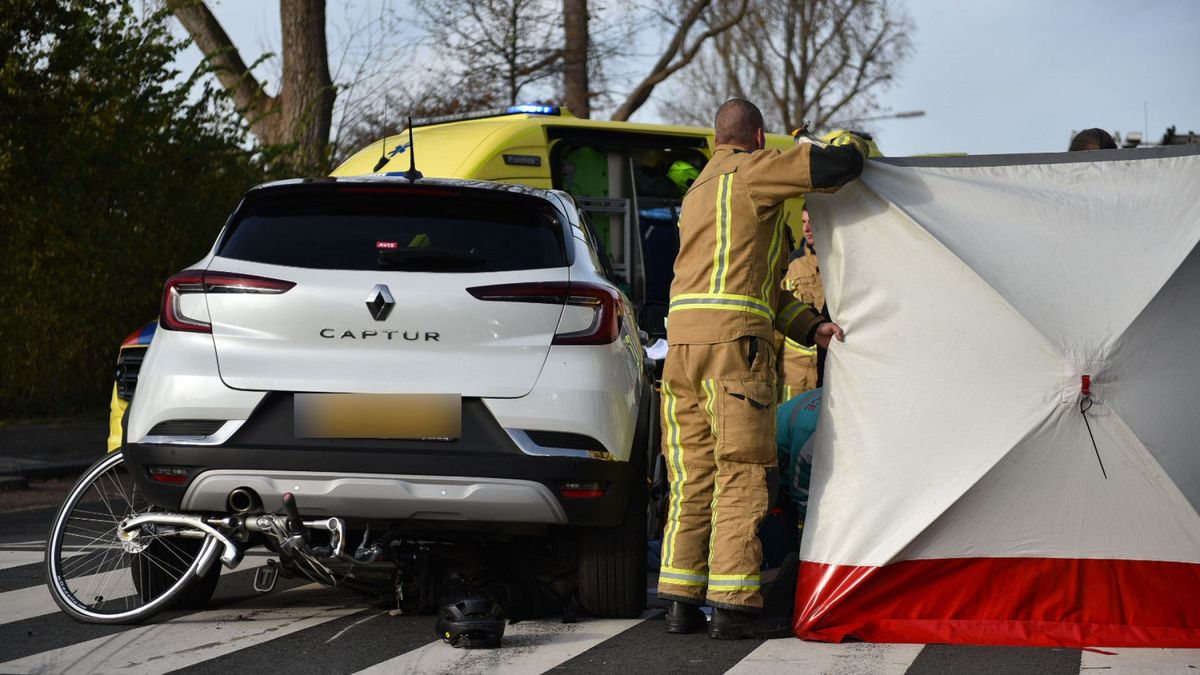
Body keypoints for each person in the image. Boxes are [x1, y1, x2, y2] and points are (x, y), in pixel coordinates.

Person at [658, 98, 866, 640]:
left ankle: (680, 599)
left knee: (691, 476)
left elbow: (755, 285)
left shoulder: (697, 190)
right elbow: (836, 166)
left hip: (681, 351)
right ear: (756, 135)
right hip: (733, 350)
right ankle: (731, 605)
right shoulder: (751, 170)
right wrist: (847, 140)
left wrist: (808, 326)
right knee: (743, 472)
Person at [778, 208, 824, 401]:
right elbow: (778, 310)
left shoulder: (839, 262)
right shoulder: (793, 264)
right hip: (795, 370)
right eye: (803, 222)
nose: (807, 228)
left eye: (811, 221)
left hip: (827, 364)